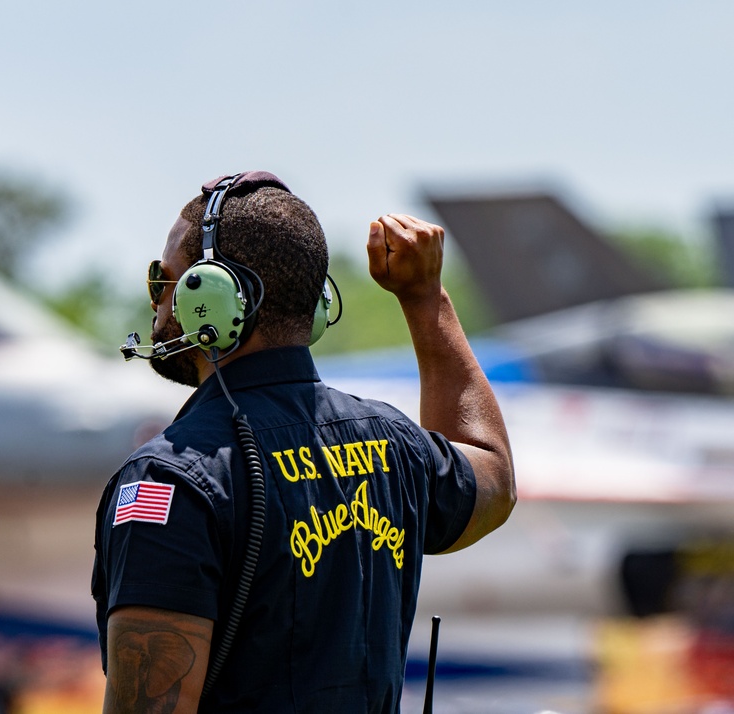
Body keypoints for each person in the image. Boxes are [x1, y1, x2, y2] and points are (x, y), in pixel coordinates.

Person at [91, 172, 515, 713]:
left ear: (212, 298)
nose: (157, 304)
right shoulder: (394, 444)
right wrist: (425, 297)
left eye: (164, 281)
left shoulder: (170, 479)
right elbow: (494, 479)